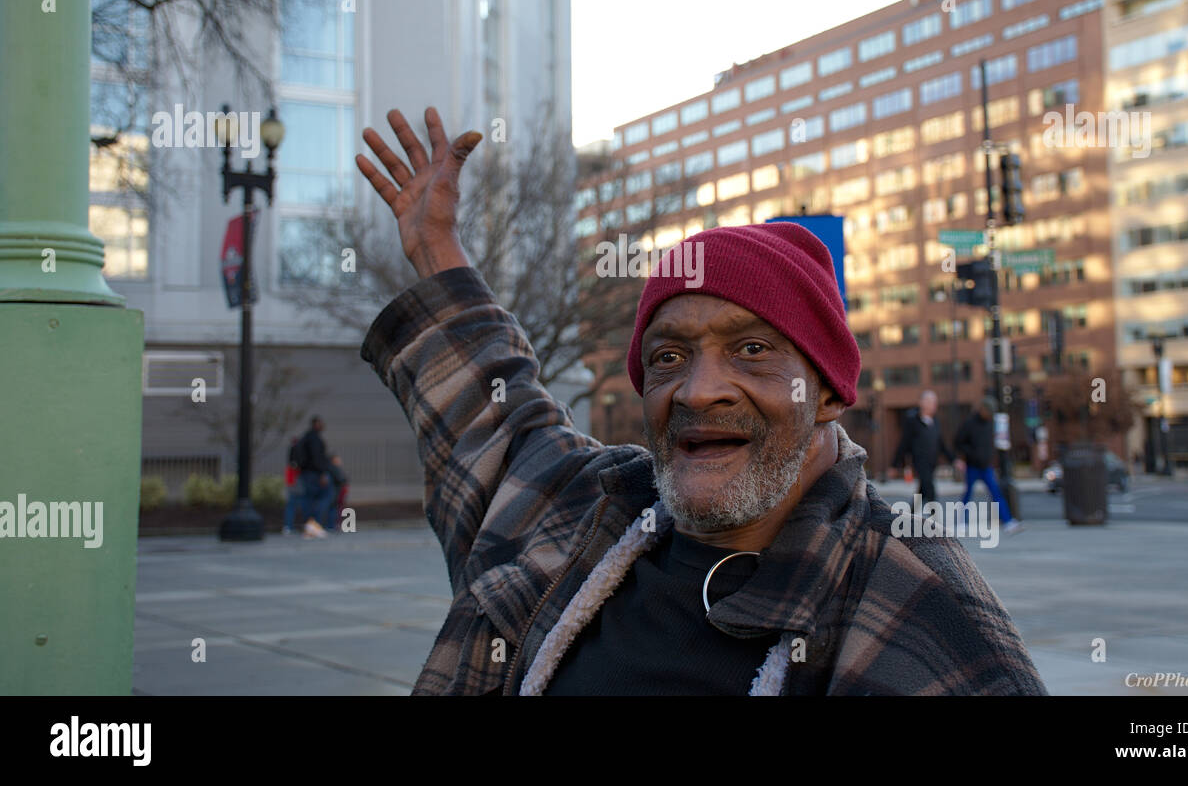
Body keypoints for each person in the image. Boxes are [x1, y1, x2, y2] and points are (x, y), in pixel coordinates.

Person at [354, 105, 1046, 696]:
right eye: (669, 356)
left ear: (830, 393)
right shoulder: (582, 511)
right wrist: (435, 244)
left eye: (751, 350)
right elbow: (495, 408)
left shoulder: (915, 599)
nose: (699, 389)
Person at [954, 398, 1021, 535]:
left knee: (996, 493)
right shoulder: (969, 424)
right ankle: (962, 522)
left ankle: (1008, 521)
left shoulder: (991, 424)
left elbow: (996, 441)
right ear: (982, 409)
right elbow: (958, 442)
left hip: (986, 466)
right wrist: (971, 454)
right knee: (968, 494)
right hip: (973, 465)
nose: (989, 415)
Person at [890, 389, 954, 505]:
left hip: (932, 463)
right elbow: (904, 444)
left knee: (921, 493)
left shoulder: (935, 422)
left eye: (935, 402)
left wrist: (953, 460)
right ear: (922, 403)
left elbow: (941, 444)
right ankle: (935, 520)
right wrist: (895, 465)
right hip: (920, 462)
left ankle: (908, 517)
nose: (934, 405)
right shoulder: (913, 422)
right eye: (930, 401)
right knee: (930, 490)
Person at [298, 416, 333, 539]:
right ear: (316, 424)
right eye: (321, 423)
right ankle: (315, 525)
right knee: (326, 496)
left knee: (309, 500)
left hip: (307, 473)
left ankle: (310, 527)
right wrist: (322, 473)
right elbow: (316, 457)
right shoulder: (314, 439)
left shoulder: (306, 437)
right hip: (314, 474)